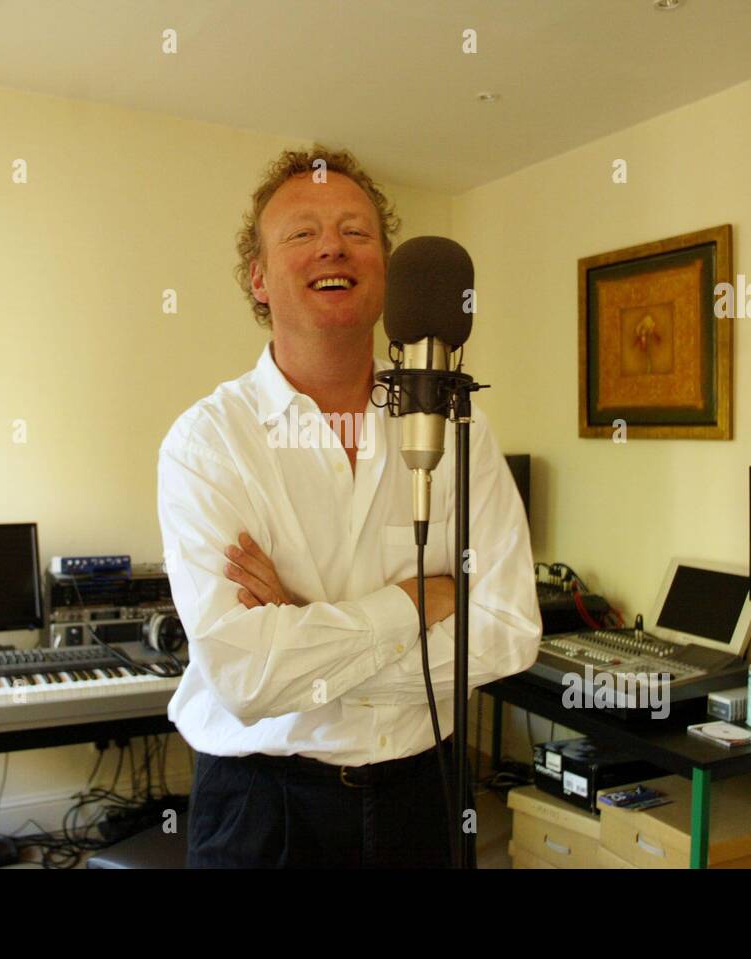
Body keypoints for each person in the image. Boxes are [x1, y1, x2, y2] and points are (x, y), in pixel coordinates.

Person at [156, 145, 541, 868]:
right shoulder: (207, 443)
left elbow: (511, 630)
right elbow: (247, 678)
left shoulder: (460, 426)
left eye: (356, 231)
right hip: (263, 809)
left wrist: (304, 623)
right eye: (302, 232)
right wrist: (413, 602)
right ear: (259, 278)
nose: (332, 244)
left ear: (386, 271)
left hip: (424, 793)